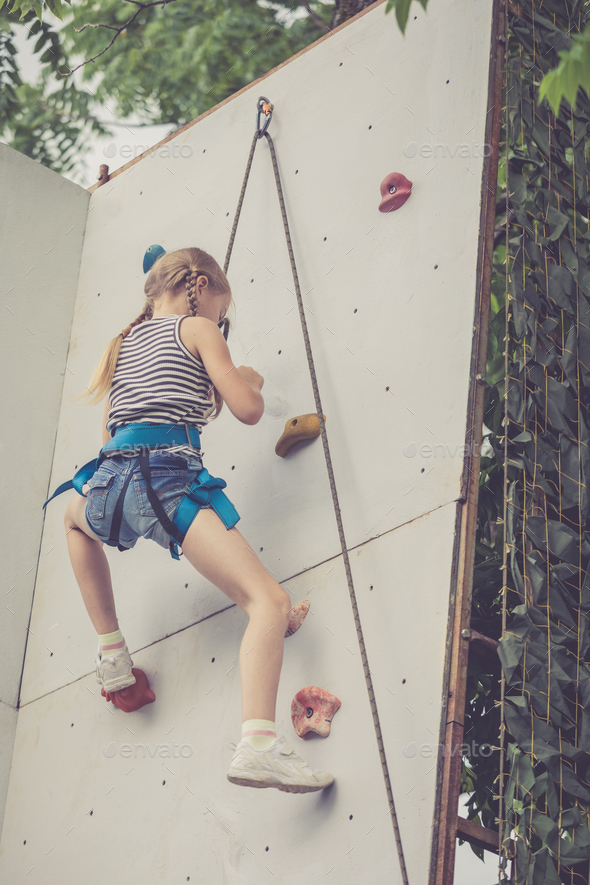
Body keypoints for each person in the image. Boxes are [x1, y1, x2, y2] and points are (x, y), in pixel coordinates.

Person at [62, 246, 334, 794]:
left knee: (71, 522)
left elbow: (142, 417)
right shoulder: (199, 330)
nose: (219, 325)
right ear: (201, 285)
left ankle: (112, 652)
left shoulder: (126, 342)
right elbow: (249, 410)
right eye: (220, 313)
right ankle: (259, 745)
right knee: (268, 602)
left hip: (111, 485)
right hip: (167, 487)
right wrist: (247, 379)